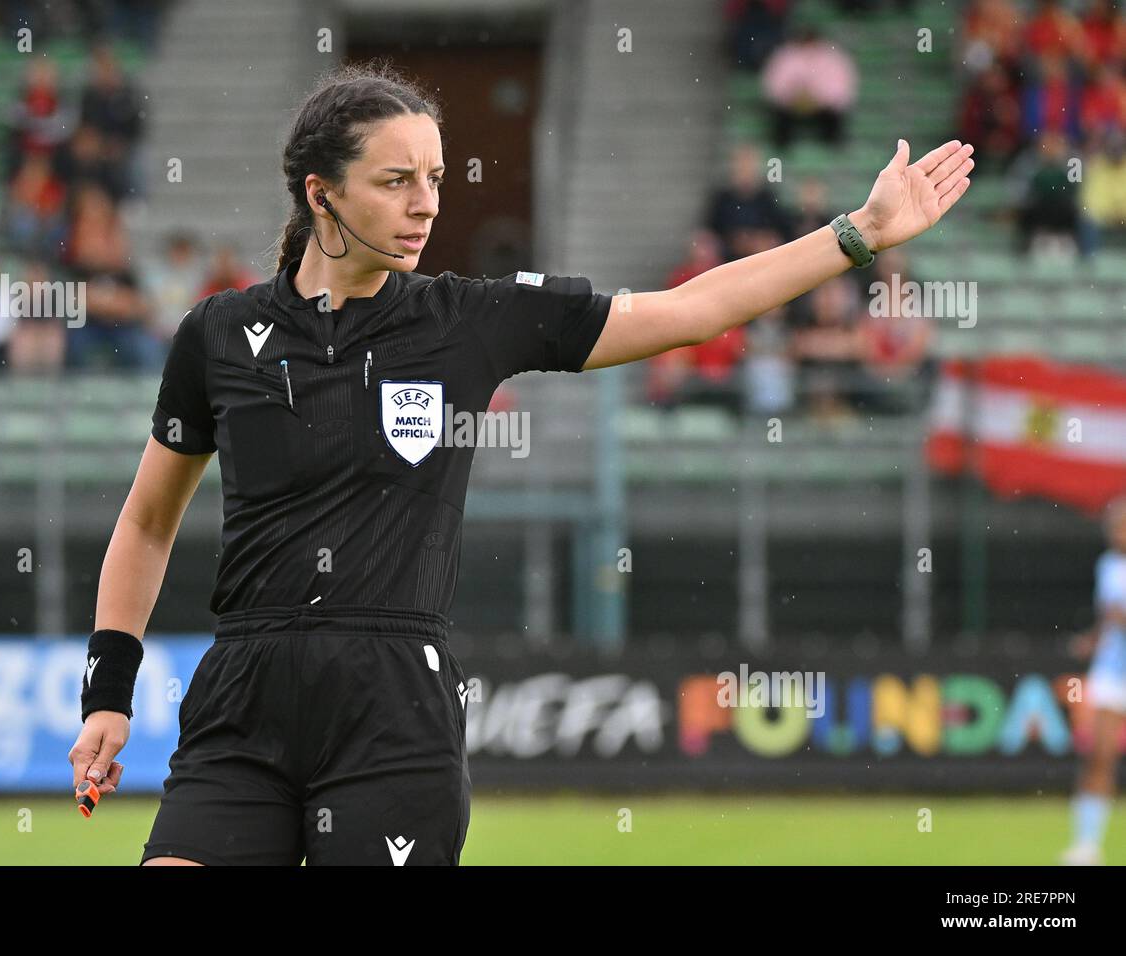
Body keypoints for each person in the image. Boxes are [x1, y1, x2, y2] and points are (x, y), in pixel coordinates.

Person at [66, 61, 973, 866]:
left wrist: (855, 235)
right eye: (395, 182)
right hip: (241, 696)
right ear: (321, 194)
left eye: (432, 179)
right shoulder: (218, 335)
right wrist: (110, 691)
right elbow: (148, 521)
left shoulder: (470, 319)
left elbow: (687, 312)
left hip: (392, 706)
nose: (427, 203)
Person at [1062, 496, 1126, 866]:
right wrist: (1093, 639)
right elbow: (1112, 617)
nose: (1117, 534)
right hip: (1114, 674)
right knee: (1100, 757)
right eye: (1113, 527)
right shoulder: (1109, 566)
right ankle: (1087, 845)